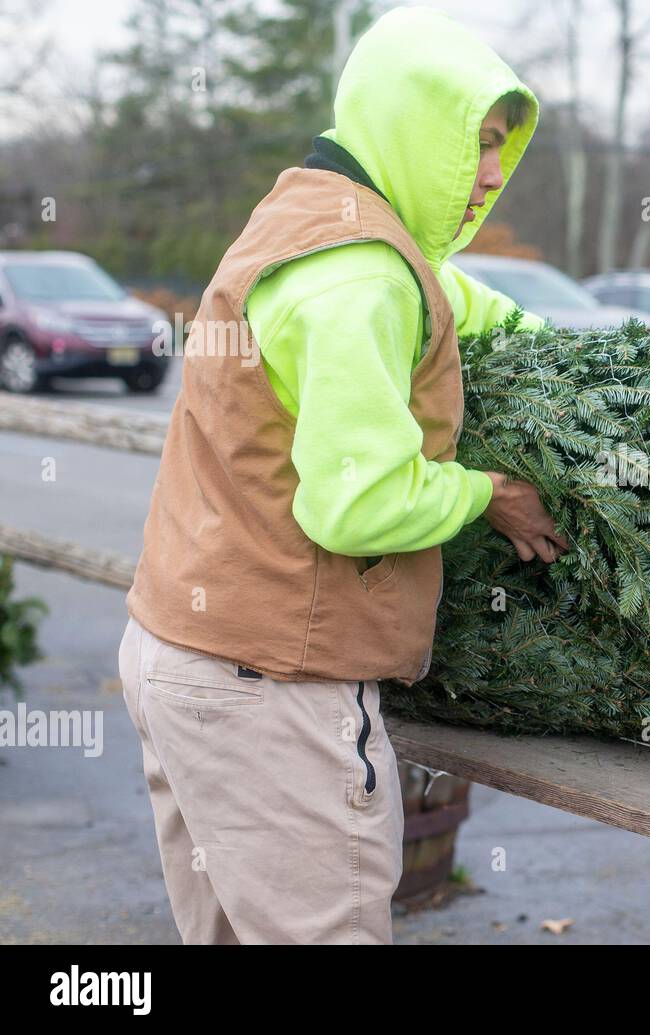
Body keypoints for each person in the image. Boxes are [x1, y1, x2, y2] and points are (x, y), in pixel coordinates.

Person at [117, 6, 568, 945]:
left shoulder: (312, 220)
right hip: (268, 691)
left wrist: (551, 343)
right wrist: (492, 494)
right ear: (411, 123)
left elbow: (442, 297)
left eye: (499, 150)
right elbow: (357, 502)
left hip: (180, 652)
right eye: (476, 143)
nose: (491, 174)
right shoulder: (358, 275)